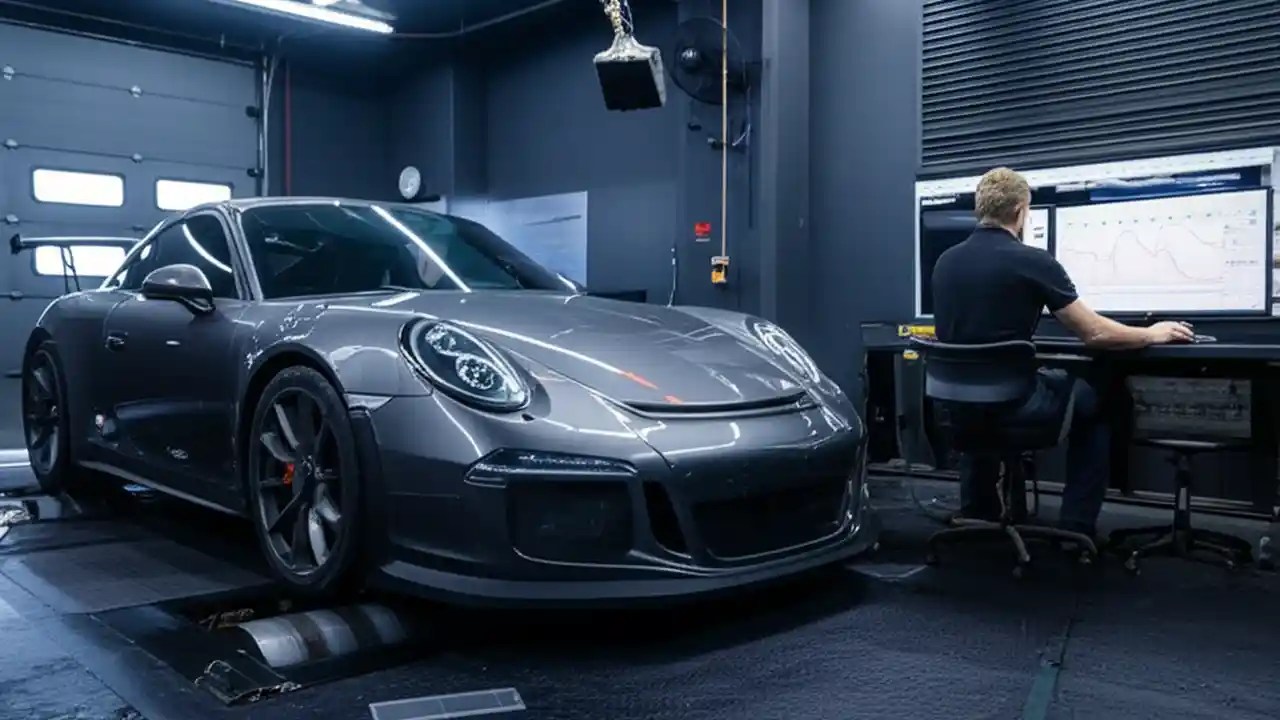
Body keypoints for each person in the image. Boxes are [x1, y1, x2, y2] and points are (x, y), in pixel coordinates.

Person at [930, 166, 1194, 538]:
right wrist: (1150, 334)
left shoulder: (945, 263)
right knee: (1097, 402)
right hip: (1013, 405)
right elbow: (1096, 333)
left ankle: (979, 511)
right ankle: (1076, 528)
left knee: (981, 395)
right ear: (1021, 212)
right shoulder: (1034, 261)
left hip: (956, 407)